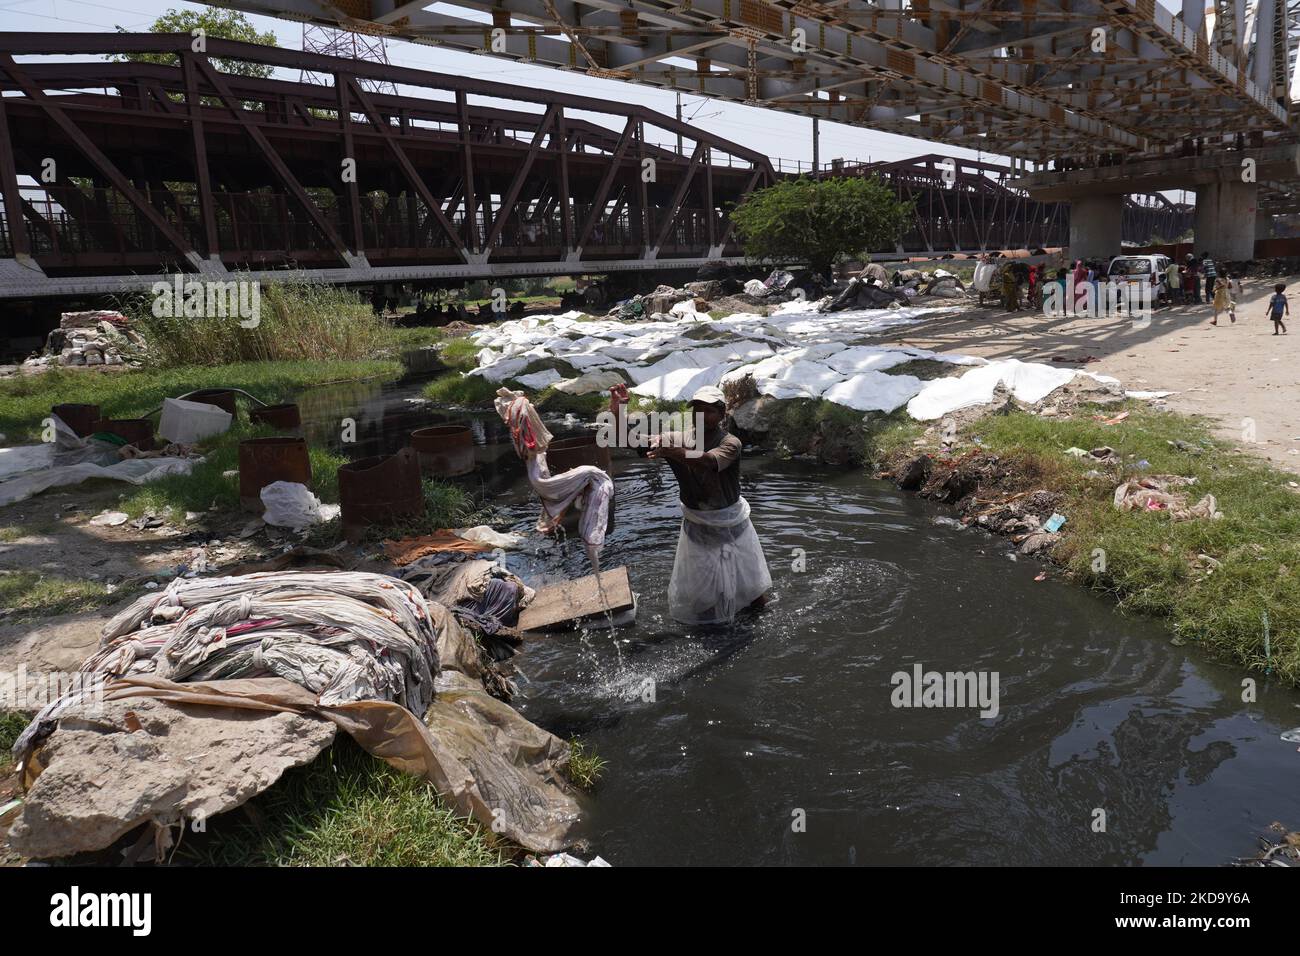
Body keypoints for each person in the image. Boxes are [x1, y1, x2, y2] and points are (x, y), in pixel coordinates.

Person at [609, 383, 771, 625]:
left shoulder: (730, 443)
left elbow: (709, 460)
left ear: (721, 414)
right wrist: (618, 413)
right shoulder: (678, 439)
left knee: (751, 589)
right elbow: (630, 441)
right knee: (701, 594)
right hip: (698, 524)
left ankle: (761, 622)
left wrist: (675, 452)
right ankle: (710, 631)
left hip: (731, 524)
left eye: (709, 410)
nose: (702, 415)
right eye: (697, 410)